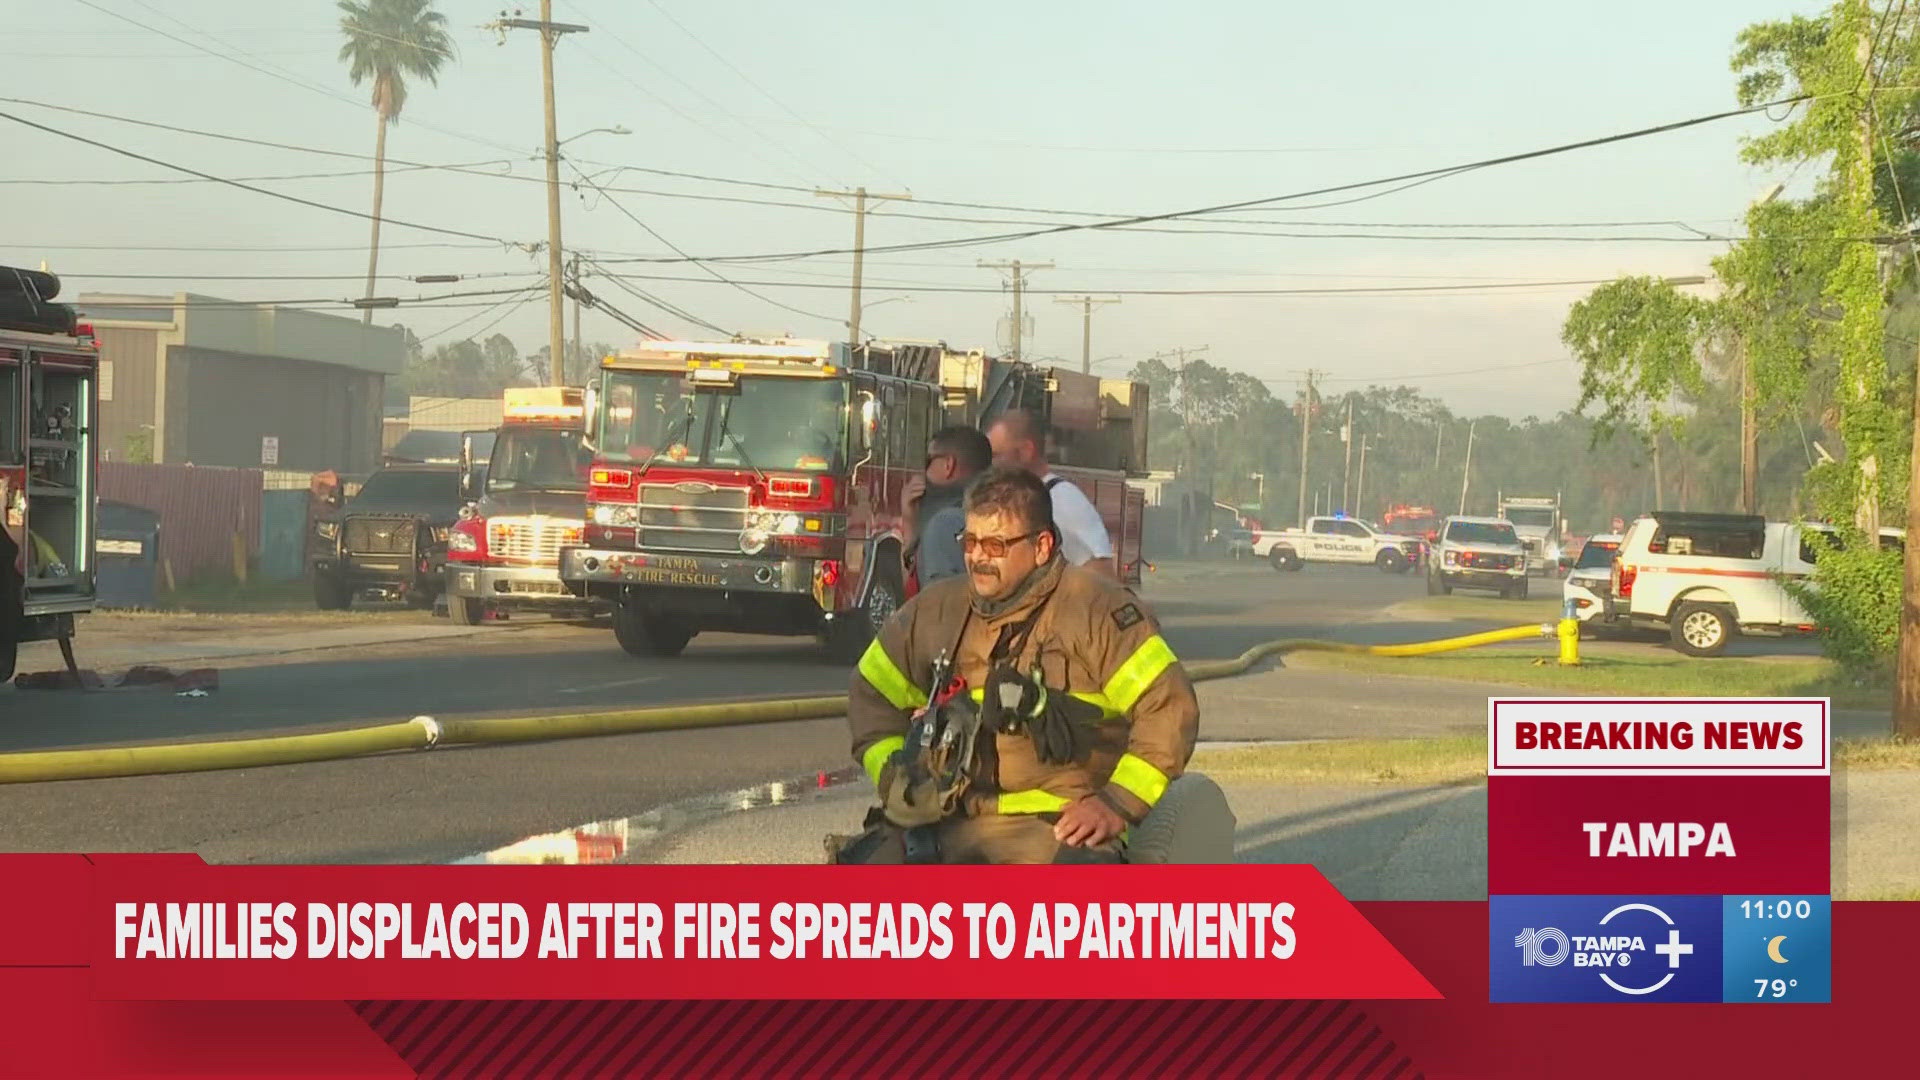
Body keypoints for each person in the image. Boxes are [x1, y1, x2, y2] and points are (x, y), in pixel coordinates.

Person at [835, 466, 1199, 864]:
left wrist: (1116, 804)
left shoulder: (1099, 611)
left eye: (995, 545)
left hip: (1056, 825)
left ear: (1042, 546)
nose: (976, 557)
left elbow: (1168, 710)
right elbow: (871, 691)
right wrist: (896, 775)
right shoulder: (937, 609)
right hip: (947, 817)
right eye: (970, 541)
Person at [985, 410, 1117, 578]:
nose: (989, 465)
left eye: (996, 455)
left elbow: (1102, 576)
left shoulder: (1062, 501)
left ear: (1026, 451)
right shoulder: (1028, 500)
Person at [901, 425, 993, 589]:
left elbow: (933, 601)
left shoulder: (944, 524)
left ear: (948, 465)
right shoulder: (1000, 510)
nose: (924, 471)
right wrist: (911, 523)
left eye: (928, 461)